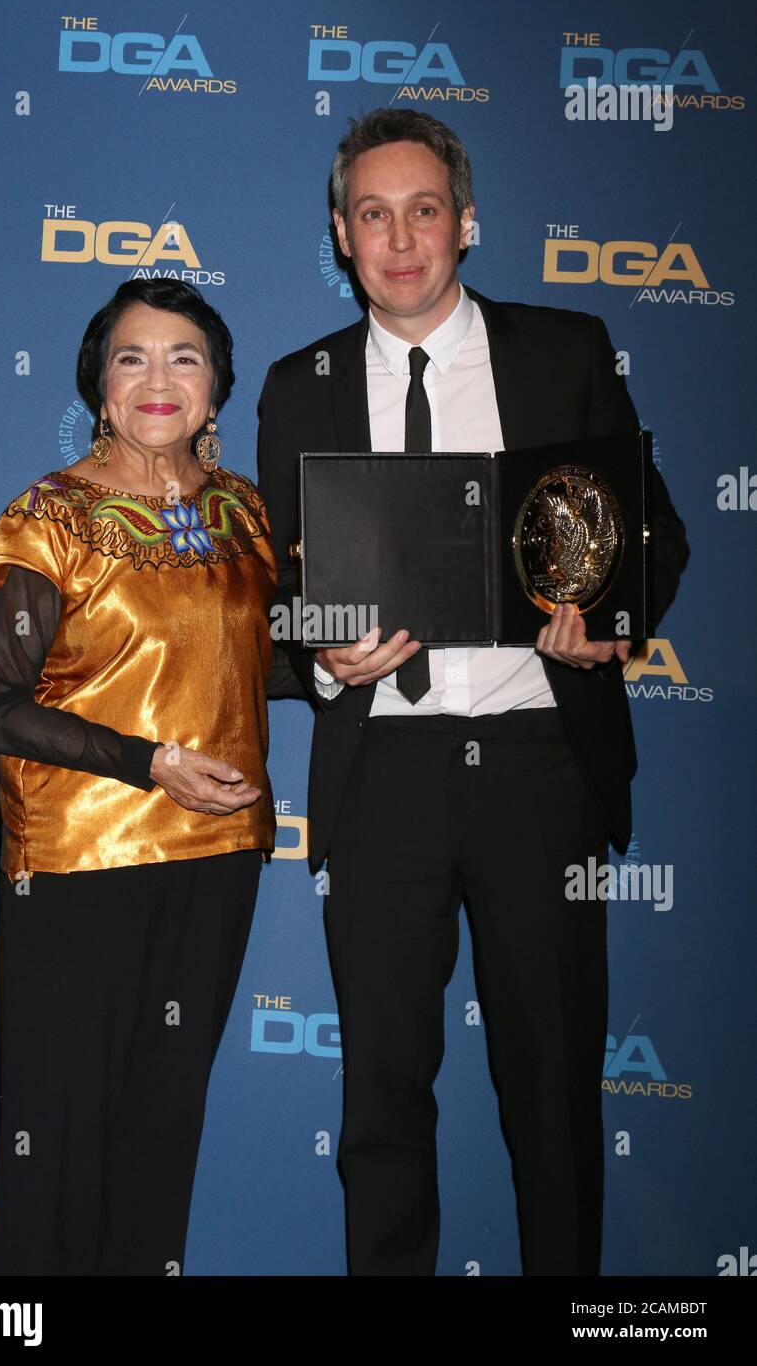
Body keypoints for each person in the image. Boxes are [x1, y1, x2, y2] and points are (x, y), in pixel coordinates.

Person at [256, 108, 689, 1276]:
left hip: (537, 769)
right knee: (382, 1099)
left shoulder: (562, 348)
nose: (401, 240)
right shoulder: (298, 388)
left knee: (551, 1096)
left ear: (466, 221)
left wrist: (605, 626)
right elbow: (272, 602)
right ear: (340, 234)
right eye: (373, 214)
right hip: (384, 774)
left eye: (424, 209)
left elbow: (651, 541)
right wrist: (316, 655)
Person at [0, 278, 284, 1276]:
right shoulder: (51, 515)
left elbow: (244, 659)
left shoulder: (241, 511)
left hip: (217, 856)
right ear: (100, 391)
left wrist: (332, 662)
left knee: (158, 1132)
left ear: (215, 390)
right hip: (78, 865)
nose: (158, 378)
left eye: (183, 356)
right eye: (132, 358)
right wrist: (150, 765)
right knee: (54, 1139)